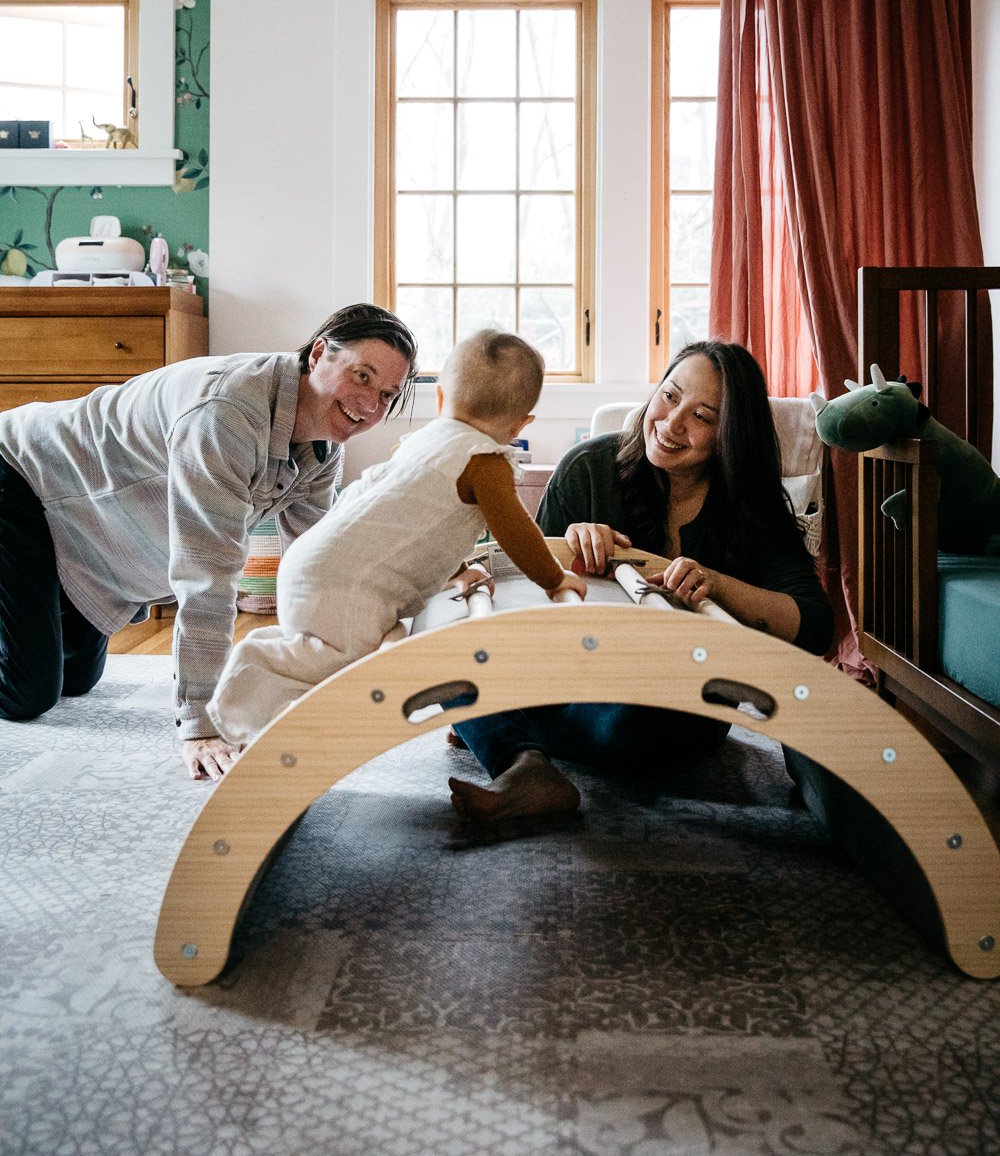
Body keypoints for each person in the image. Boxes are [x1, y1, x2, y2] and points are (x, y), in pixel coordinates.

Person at [0, 302, 418, 780]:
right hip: (19, 476)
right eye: (361, 376)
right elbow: (207, 576)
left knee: (74, 680)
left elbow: (323, 560)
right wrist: (202, 723)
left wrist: (389, 618)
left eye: (387, 394)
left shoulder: (322, 450)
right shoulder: (228, 413)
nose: (370, 405)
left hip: (77, 531)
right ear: (319, 353)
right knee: (24, 694)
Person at [448, 340, 834, 821]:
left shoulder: (749, 504)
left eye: (703, 416)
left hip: (671, 703)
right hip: (572, 678)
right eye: (669, 397)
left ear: (731, 433)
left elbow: (815, 626)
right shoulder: (587, 469)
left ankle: (498, 731)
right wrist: (569, 549)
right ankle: (525, 765)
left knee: (626, 727)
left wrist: (715, 583)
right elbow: (525, 612)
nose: (672, 424)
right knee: (450, 655)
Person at [209, 330, 587, 744]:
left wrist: (459, 570)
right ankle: (262, 705)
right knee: (348, 674)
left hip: (312, 561)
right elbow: (516, 530)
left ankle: (269, 662)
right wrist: (554, 579)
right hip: (347, 587)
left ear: (441, 399)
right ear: (520, 425)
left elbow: (412, 527)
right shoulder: (487, 462)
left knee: (320, 647)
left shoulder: (423, 443)